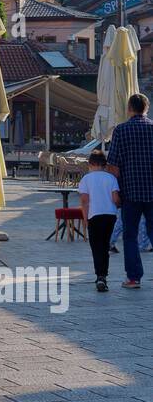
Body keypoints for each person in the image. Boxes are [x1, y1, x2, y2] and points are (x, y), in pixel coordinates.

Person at [106, 92, 153, 289]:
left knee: (130, 235)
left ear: (129, 108)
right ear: (146, 108)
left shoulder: (121, 130)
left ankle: (134, 278)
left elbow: (113, 166)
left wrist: (116, 192)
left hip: (130, 192)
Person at [78, 149, 120, 293]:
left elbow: (84, 201)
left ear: (90, 164)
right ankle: (103, 275)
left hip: (94, 215)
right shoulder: (111, 178)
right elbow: (115, 199)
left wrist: (85, 219)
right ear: (104, 164)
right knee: (105, 245)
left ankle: (100, 276)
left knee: (96, 247)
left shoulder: (86, 179)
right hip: (109, 216)